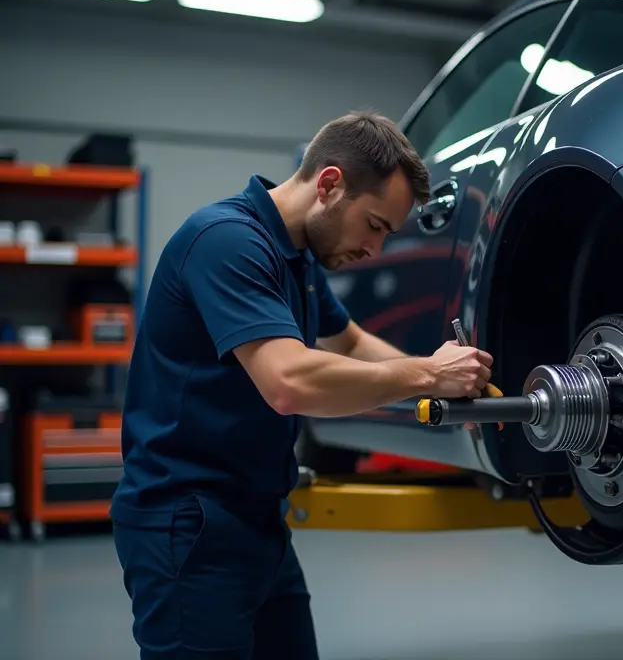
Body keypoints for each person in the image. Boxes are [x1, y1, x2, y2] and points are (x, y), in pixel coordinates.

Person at [109, 111, 494, 660]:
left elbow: (353, 344)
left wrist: (450, 388)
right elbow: (287, 382)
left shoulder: (299, 259)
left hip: (258, 520)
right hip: (188, 526)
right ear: (330, 184)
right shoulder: (227, 242)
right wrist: (429, 373)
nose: (374, 251)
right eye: (375, 226)